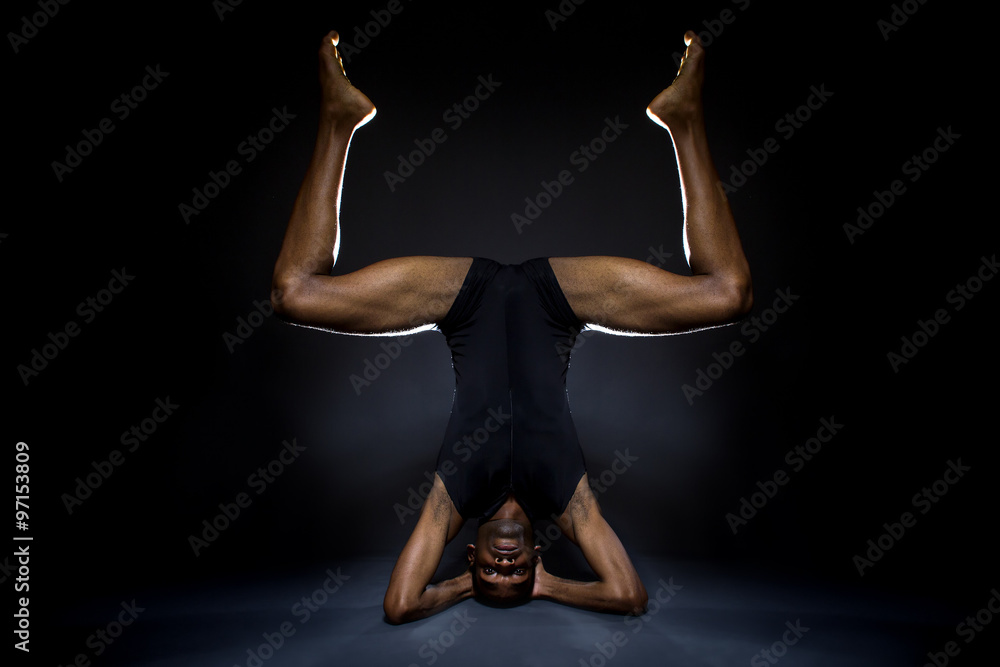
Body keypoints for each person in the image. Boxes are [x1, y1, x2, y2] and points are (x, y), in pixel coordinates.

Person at [270, 29, 752, 624]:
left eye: (489, 574)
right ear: (536, 556)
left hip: (464, 303)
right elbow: (628, 595)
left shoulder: (453, 500)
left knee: (294, 293)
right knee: (729, 293)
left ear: (469, 556)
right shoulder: (569, 504)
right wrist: (549, 588)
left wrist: (457, 591)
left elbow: (400, 606)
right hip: (555, 304)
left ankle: (339, 122)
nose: (506, 567)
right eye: (515, 576)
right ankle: (684, 121)